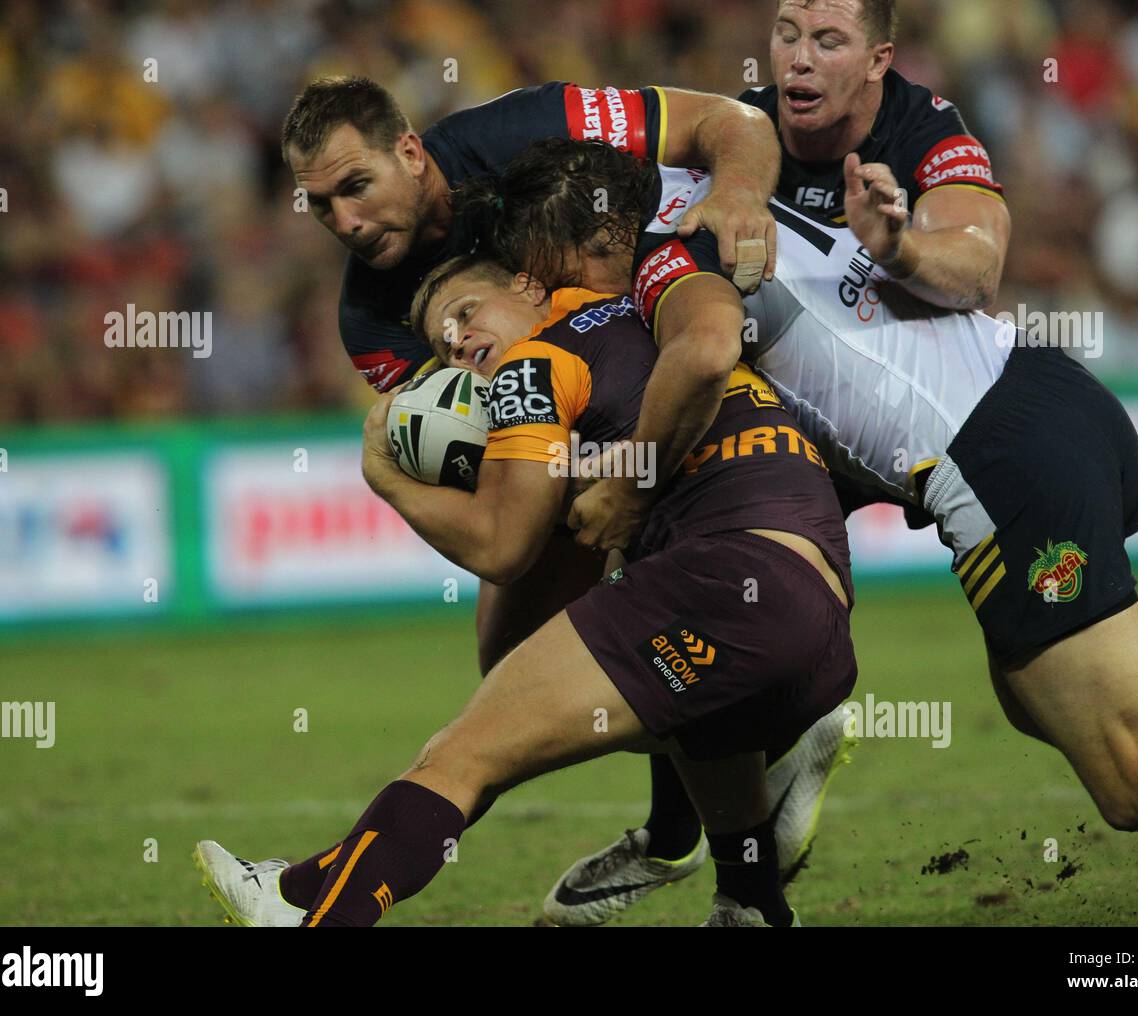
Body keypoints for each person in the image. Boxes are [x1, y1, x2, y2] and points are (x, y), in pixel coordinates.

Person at [459, 136, 1138, 927]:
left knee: (1131, 777)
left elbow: (701, 354)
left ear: (602, 238)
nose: (562, 308)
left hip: (998, 457)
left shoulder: (667, 256)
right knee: (1045, 705)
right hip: (1040, 391)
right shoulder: (714, 190)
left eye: (561, 279)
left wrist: (627, 484)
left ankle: (747, 815)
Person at [272, 74, 857, 923]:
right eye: (319, 206)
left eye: (355, 187)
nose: (345, 224)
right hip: (764, 524)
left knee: (492, 730)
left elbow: (727, 121)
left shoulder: (523, 131)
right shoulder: (372, 322)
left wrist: (732, 199)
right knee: (514, 652)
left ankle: (311, 903)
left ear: (410, 150)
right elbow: (478, 453)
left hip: (743, 350)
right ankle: (741, 868)